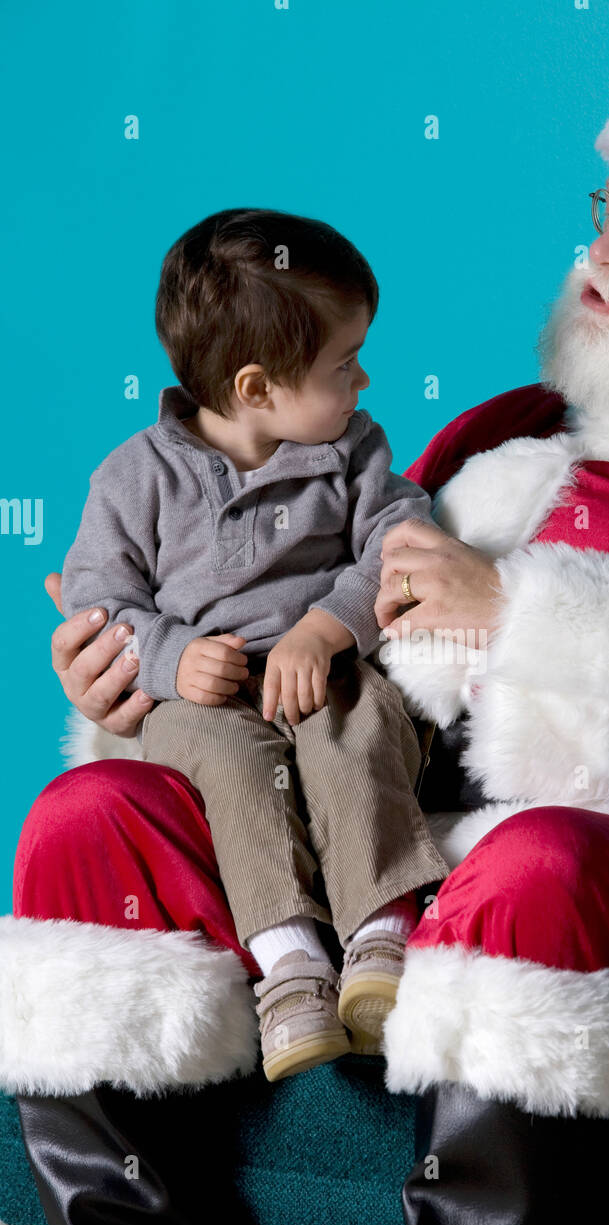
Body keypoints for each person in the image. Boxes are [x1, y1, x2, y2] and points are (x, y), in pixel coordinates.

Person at [6, 58, 609, 1225]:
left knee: (534, 866)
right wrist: (133, 665)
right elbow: (302, 611)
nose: (603, 254)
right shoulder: (503, 421)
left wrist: (519, 613)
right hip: (377, 800)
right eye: (602, 213)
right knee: (86, 817)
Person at [57, 208, 451, 1079]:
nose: (364, 380)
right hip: (206, 697)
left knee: (355, 728)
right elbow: (97, 598)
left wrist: (326, 628)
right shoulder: (134, 478)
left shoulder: (352, 452)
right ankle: (292, 967)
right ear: (257, 388)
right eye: (343, 364)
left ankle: (381, 938)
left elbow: (401, 538)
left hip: (322, 671)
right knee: (228, 765)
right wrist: (167, 656)